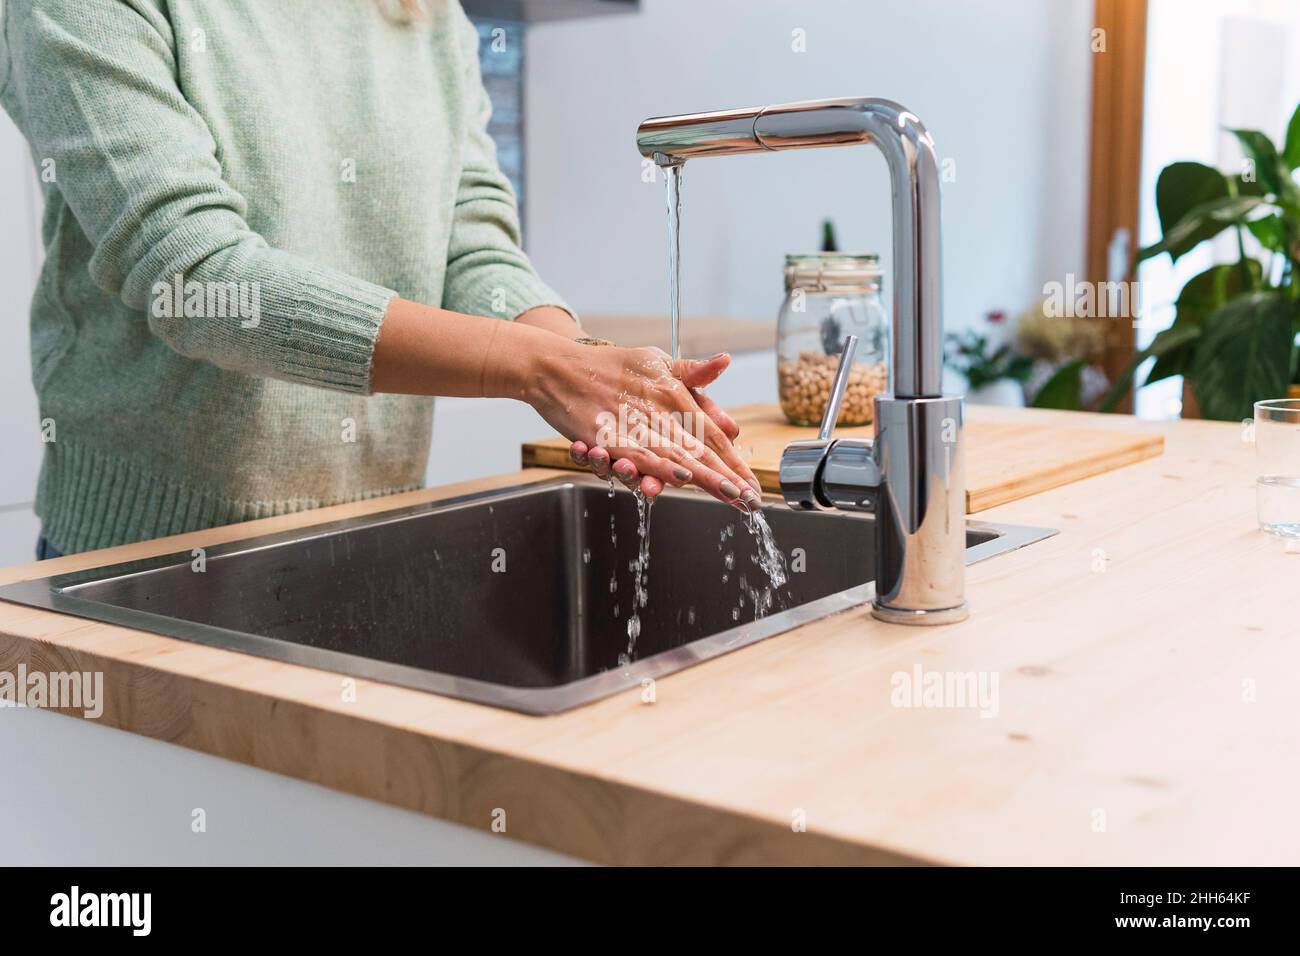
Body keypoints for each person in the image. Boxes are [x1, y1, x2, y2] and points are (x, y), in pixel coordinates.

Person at [0, 0, 759, 558]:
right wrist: (544, 370)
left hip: (372, 532)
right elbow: (190, 273)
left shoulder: (422, 15)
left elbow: (469, 235)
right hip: (144, 554)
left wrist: (581, 363)